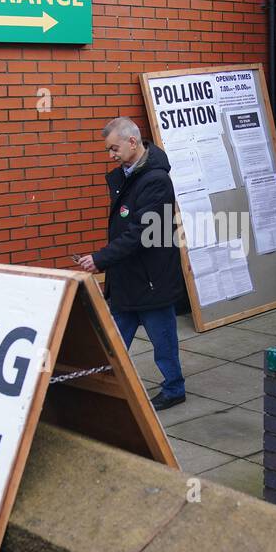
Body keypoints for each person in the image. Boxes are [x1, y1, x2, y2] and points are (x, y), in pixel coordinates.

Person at [77, 117, 187, 410]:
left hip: (152, 280)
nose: (110, 155)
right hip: (127, 278)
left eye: (114, 149)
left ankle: (174, 388)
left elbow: (140, 233)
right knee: (113, 344)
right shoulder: (128, 175)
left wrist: (100, 258)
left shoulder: (156, 181)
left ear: (132, 142)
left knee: (163, 344)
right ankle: (104, 386)